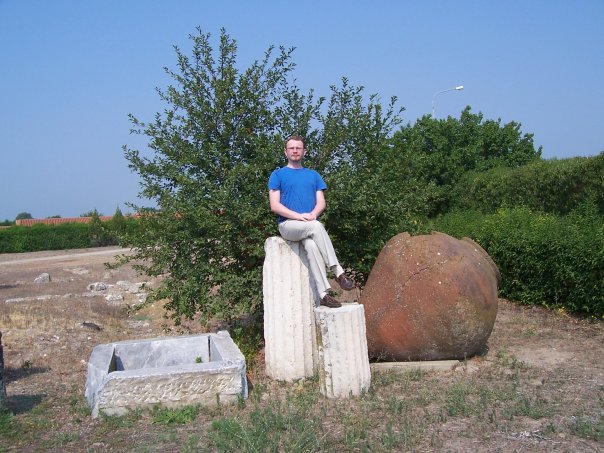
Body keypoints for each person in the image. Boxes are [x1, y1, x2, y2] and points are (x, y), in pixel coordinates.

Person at [268, 135, 355, 308]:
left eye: (298, 148)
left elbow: (321, 203)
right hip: (288, 225)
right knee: (315, 226)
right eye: (291, 148)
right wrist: (298, 216)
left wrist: (313, 214)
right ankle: (338, 271)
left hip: (308, 225)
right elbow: (275, 206)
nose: (295, 151)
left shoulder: (313, 175)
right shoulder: (277, 175)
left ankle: (323, 294)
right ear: (285, 151)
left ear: (304, 151)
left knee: (312, 245)